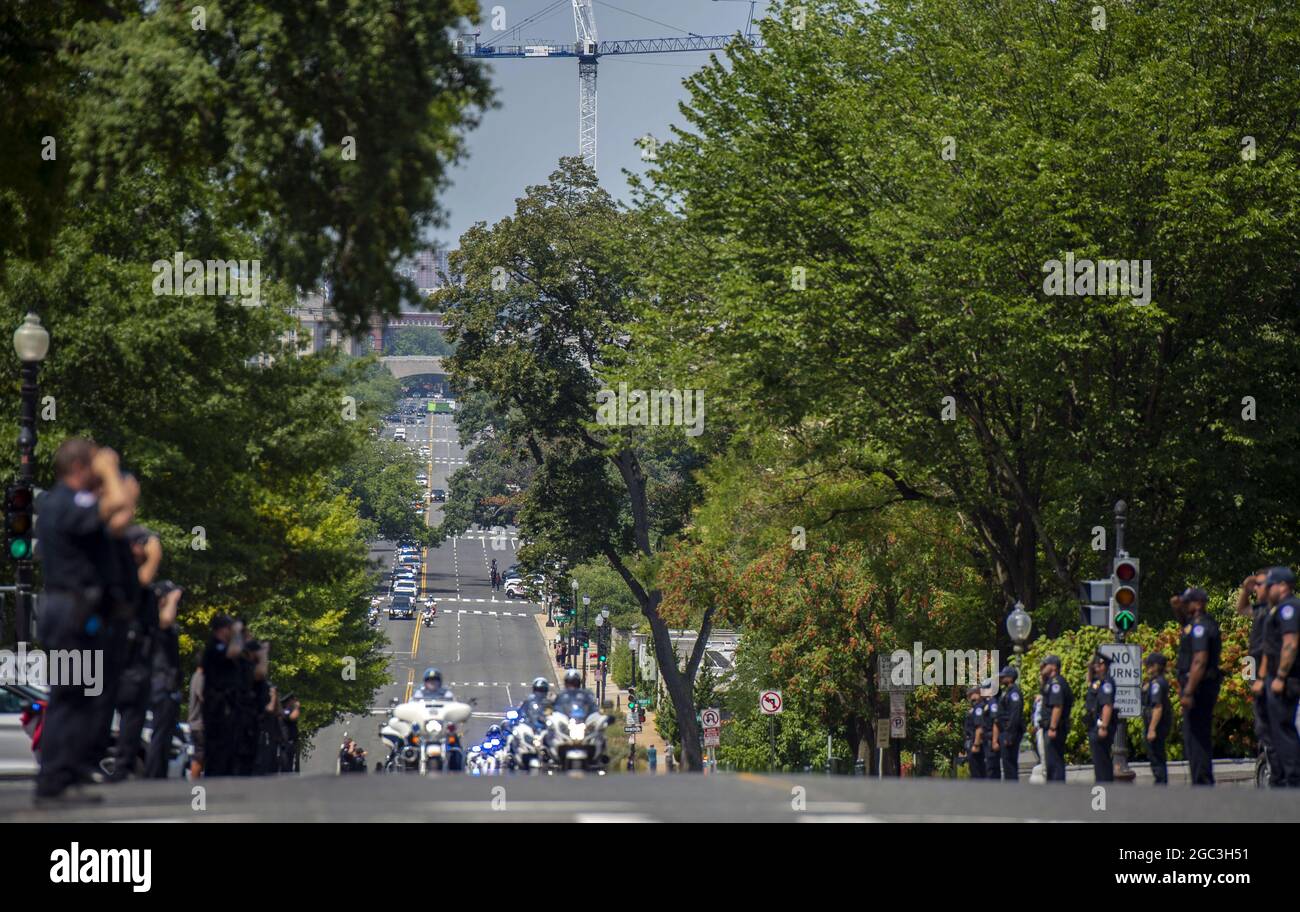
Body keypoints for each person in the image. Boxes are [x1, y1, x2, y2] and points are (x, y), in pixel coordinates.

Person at [33, 439, 136, 806]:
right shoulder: (66, 501)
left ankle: (68, 772)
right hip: (69, 613)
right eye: (93, 466)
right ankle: (54, 778)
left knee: (80, 696)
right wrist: (111, 472)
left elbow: (116, 518)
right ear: (79, 468)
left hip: (74, 613)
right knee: (69, 697)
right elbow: (116, 505)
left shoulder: (63, 503)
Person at [1172, 586, 1222, 785]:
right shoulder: (1194, 625)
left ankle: (1202, 782)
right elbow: (1184, 623)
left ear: (1199, 603)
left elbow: (1200, 660)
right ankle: (1199, 780)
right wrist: (1178, 608)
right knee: (1192, 736)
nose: (1185, 605)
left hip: (1200, 688)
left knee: (1198, 737)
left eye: (1188, 602)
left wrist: (1189, 691)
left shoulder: (1202, 626)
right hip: (1197, 687)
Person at [1240, 570, 1280, 786]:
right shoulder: (1261, 611)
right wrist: (1245, 590)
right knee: (1266, 733)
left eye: (1261, 584)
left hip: (1273, 681)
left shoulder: (1280, 611)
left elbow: (1271, 650)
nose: (1257, 588)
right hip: (1262, 681)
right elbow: (1242, 609)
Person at [1262, 567, 1300, 786]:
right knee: (1278, 731)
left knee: (1284, 731)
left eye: (1271, 586)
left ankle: (1293, 782)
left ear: (1283, 585)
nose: (1268, 590)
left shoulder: (1289, 608)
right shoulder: (1278, 609)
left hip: (1286, 680)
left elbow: (1291, 643)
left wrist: (1281, 676)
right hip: (1278, 679)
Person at [143, 580, 183, 778]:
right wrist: (171, 599)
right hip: (158, 683)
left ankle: (159, 774)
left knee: (165, 736)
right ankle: (152, 775)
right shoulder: (154, 618)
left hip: (167, 683)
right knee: (158, 736)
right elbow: (165, 619)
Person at [200, 615, 244, 777]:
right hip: (216, 703)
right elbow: (234, 652)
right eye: (230, 629)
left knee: (227, 744)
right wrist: (238, 633)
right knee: (217, 745)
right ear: (222, 629)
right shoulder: (215, 646)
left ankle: (223, 775)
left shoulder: (223, 647)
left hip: (226, 702)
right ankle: (214, 777)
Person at [1084, 651, 1116, 783]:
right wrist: (1090, 667)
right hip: (1093, 726)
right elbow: (1089, 680)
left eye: (1098, 664)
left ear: (1104, 665)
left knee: (1102, 763)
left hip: (1100, 726)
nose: (1095, 666)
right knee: (1099, 762)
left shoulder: (1107, 683)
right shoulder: (1098, 681)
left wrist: (1103, 726)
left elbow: (1107, 705)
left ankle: (1104, 790)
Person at [1039, 655, 1072, 782]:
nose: (1042, 667)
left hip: (1054, 728)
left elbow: (1057, 706)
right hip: (1050, 727)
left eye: (1045, 665)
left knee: (1055, 762)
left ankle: (1057, 790)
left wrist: (1053, 727)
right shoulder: (1050, 682)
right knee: (1051, 762)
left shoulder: (1056, 683)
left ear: (1053, 667)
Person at [1141, 653, 1172, 785]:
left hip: (1157, 726)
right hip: (1156, 725)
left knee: (1156, 757)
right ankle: (1160, 782)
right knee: (1156, 756)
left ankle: (1160, 785)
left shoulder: (1157, 684)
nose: (1147, 668)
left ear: (1156, 666)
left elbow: (1157, 707)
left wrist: (1152, 729)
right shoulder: (1154, 683)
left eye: (1149, 665)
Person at [992, 665, 1023, 781]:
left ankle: (1012, 791)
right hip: (1005, 731)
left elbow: (1014, 715)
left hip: (1009, 732)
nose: (1001, 679)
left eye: (1004, 676)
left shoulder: (1014, 693)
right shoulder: (1008, 692)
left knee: (1009, 764)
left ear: (1010, 678)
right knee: (1006, 763)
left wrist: (1010, 735)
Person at [962, 686, 986, 779]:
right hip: (972, 741)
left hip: (975, 742)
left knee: (977, 772)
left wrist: (976, 744)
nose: (969, 697)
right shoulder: (976, 707)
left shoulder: (979, 708)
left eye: (971, 694)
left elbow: (979, 728)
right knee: (976, 770)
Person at [981, 680, 1001, 781]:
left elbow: (995, 722)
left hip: (990, 738)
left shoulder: (993, 703)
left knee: (992, 768)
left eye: (985, 688)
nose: (982, 690)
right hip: (986, 739)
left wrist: (994, 740)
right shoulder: (985, 703)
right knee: (988, 767)